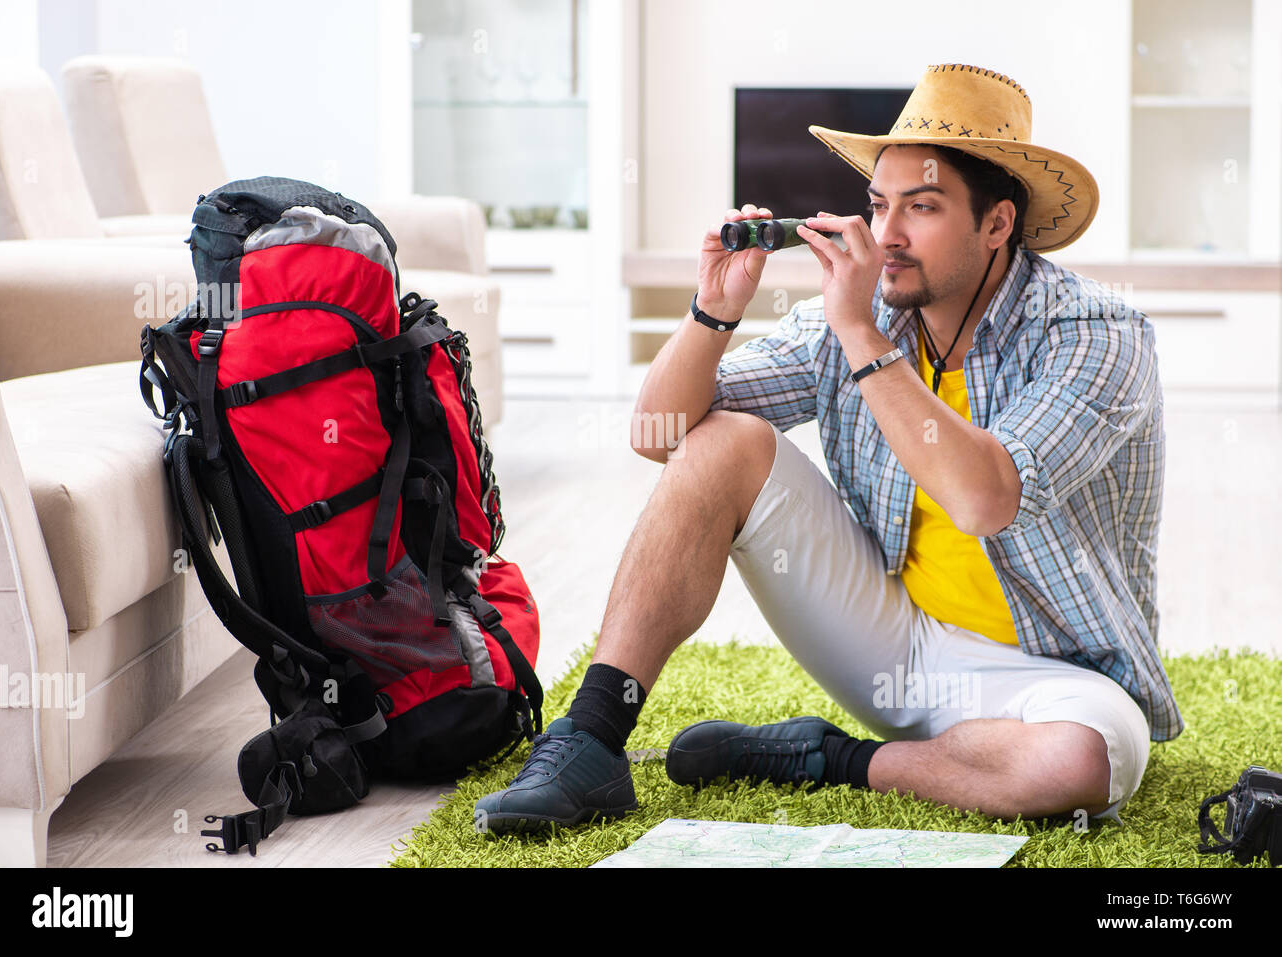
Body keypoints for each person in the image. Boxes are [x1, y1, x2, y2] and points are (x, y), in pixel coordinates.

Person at [474, 62, 1181, 836]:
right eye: (879, 206)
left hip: (1056, 677)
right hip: (894, 643)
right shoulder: (859, 313)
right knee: (723, 443)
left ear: (997, 224)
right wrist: (712, 312)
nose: (888, 236)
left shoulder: (1096, 333)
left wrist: (861, 336)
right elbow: (659, 435)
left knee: (1080, 766)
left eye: (923, 207)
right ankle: (592, 737)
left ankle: (825, 757)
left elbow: (984, 499)